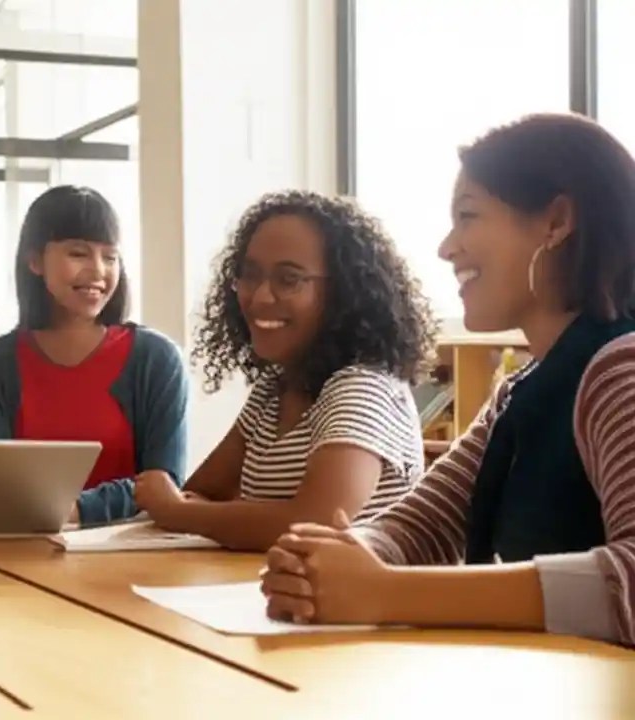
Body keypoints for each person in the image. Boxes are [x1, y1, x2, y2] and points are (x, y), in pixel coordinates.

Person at [261, 114, 635, 646]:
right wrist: (327, 563)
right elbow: (419, 527)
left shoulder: (621, 369)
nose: (446, 247)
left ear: (556, 221)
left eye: (468, 216)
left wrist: (385, 593)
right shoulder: (522, 390)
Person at [133, 191, 436, 551]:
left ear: (345, 292)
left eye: (288, 279)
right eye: (249, 275)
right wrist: (200, 511)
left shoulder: (363, 386)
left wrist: (178, 513)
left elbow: (313, 523)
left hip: (356, 605)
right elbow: (203, 492)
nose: (260, 297)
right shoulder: (273, 389)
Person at [0, 185, 188, 525]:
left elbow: (165, 484)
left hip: (136, 554)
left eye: (110, 257)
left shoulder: (156, 359)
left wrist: (75, 509)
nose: (98, 270)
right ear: (35, 260)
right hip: (20, 554)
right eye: (79, 253)